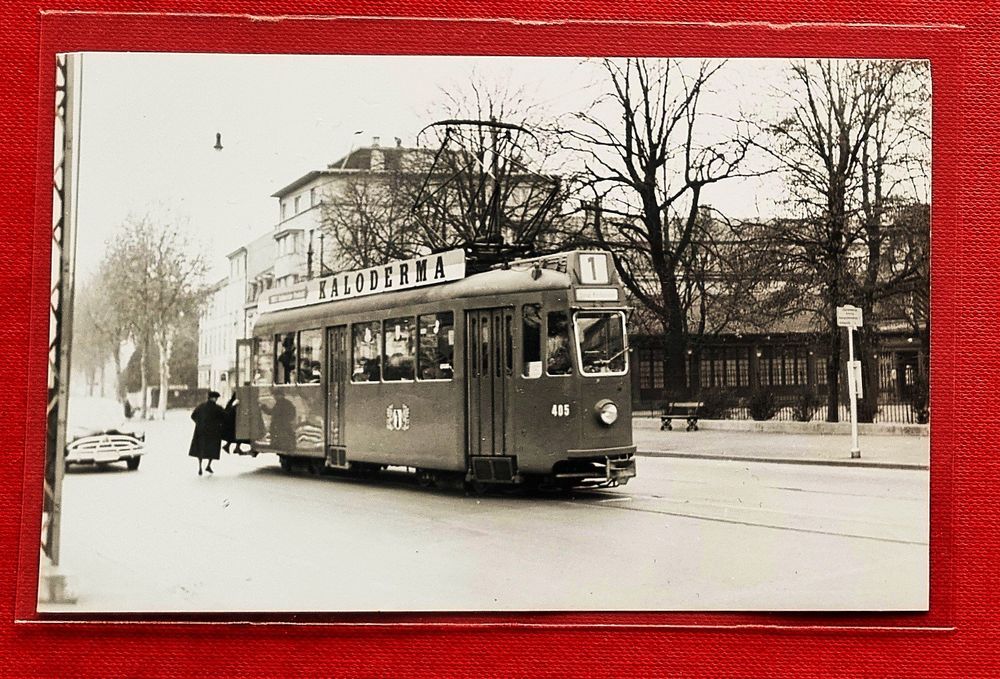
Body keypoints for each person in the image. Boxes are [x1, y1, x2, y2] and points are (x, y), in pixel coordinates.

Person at [189, 391, 225, 476]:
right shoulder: (217, 408)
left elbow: (193, 416)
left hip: (200, 431)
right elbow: (225, 417)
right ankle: (208, 465)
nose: (216, 400)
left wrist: (199, 423)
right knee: (212, 449)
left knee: (200, 449)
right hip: (213, 432)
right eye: (216, 398)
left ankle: (200, 466)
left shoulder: (201, 406)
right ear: (213, 398)